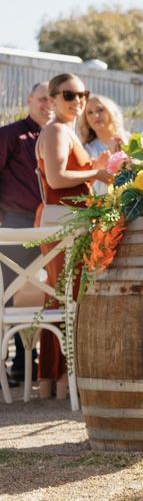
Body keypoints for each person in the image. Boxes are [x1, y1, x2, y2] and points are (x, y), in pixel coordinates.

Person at [34, 74, 111, 399]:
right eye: (69, 94)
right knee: (70, 295)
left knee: (63, 295)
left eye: (82, 94)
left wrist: (98, 165)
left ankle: (55, 382)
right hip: (62, 221)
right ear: (53, 98)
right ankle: (65, 380)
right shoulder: (55, 130)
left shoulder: (67, 132)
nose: (78, 100)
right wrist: (97, 172)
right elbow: (57, 177)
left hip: (69, 220)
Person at [0, 82, 51, 387]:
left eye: (51, 99)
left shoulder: (58, 134)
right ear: (29, 100)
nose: (48, 104)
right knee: (10, 295)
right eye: (42, 99)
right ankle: (16, 360)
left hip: (52, 224)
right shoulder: (10, 135)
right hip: (17, 224)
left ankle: (31, 362)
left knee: (42, 295)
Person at [78, 94, 126, 195]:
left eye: (100, 110)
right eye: (90, 113)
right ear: (86, 119)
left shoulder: (128, 140)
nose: (96, 115)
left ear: (110, 111)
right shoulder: (86, 150)